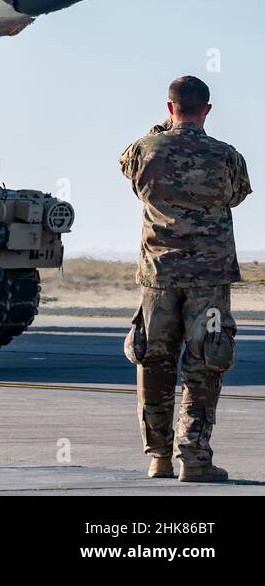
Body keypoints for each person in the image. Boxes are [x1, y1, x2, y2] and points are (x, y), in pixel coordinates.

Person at [119, 75, 251, 483]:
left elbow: (126, 163)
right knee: (205, 364)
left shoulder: (147, 150)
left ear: (170, 106)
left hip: (158, 278)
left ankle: (158, 457)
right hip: (208, 280)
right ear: (207, 110)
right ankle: (194, 458)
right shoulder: (226, 156)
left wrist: (162, 128)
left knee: (154, 362)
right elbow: (238, 195)